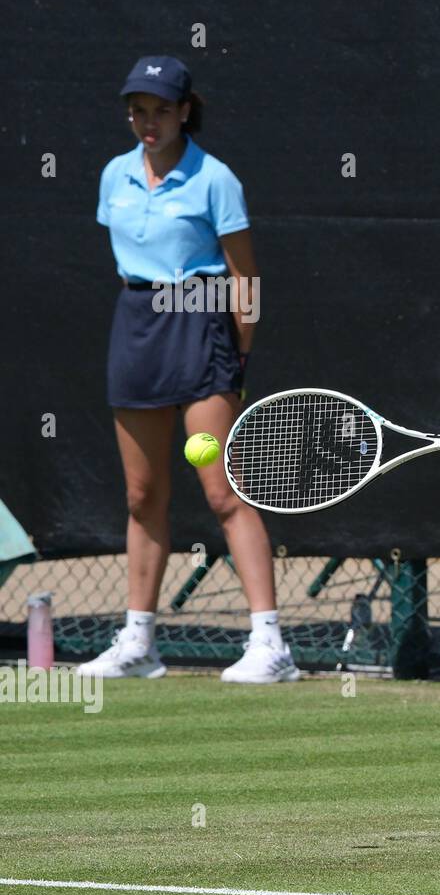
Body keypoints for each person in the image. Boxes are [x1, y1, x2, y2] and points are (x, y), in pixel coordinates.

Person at [77, 56, 297, 684]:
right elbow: (128, 259)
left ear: (183, 112)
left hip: (200, 324)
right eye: (137, 111)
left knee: (221, 488)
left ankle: (270, 646)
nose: (147, 122)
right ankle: (139, 643)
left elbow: (244, 277)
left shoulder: (215, 179)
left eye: (160, 111)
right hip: (137, 323)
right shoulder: (114, 175)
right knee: (142, 495)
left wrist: (238, 353)